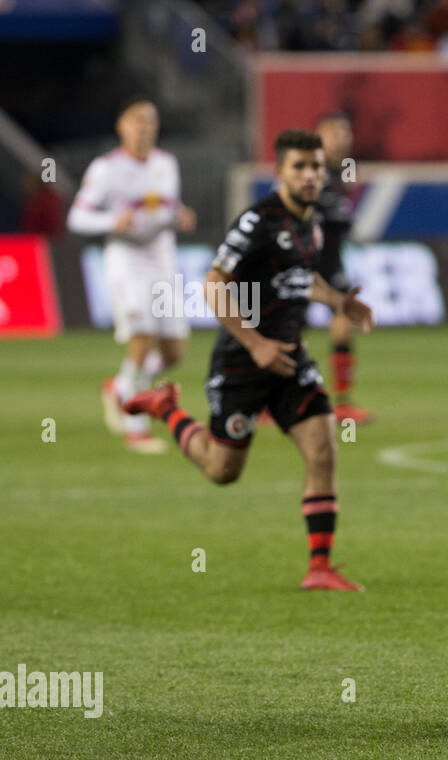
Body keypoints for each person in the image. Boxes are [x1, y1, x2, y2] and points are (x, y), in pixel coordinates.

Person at [124, 129, 374, 591]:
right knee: (223, 471)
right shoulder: (257, 221)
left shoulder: (312, 224)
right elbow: (214, 283)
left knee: (322, 449)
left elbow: (304, 279)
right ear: (279, 171)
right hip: (242, 361)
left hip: (290, 359)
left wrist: (339, 301)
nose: (310, 175)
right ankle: (165, 407)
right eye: (299, 166)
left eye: (316, 166)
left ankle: (319, 566)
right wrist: (255, 341)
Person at [67, 95, 196, 452]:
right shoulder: (106, 168)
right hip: (127, 259)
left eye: (150, 121)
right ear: (121, 126)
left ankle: (120, 386)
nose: (144, 128)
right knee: (143, 336)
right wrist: (112, 221)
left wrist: (181, 215)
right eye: (137, 120)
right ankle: (135, 422)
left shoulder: (167, 164)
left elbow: (167, 207)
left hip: (162, 257)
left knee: (173, 353)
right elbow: (77, 217)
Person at [314, 112, 373, 423]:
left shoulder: (341, 174)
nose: (341, 138)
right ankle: (268, 402)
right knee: (282, 330)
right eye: (334, 132)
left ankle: (342, 401)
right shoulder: (307, 170)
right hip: (302, 261)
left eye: (345, 132)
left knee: (343, 321)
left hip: (331, 262)